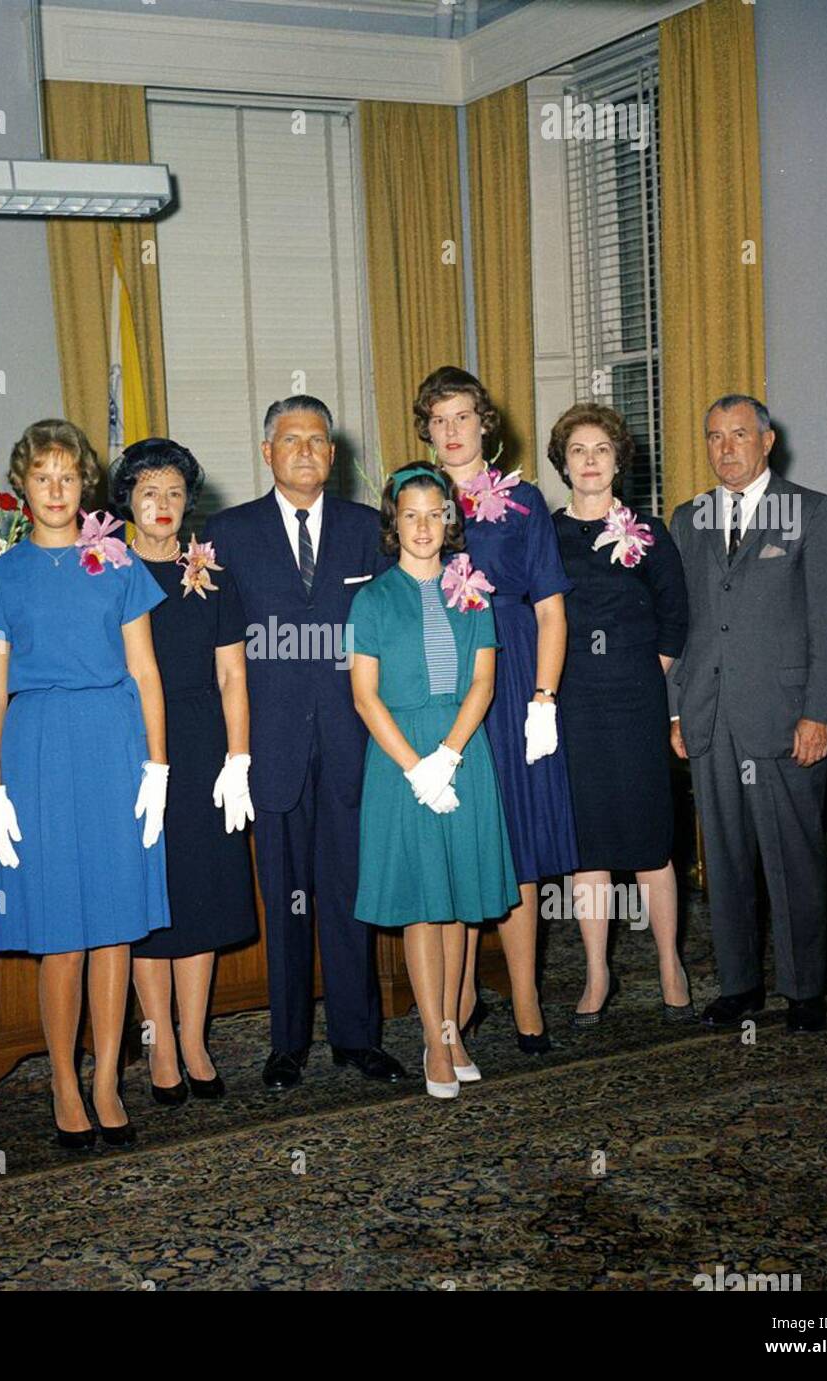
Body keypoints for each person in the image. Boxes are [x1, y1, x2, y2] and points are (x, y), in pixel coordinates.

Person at [0, 420, 170, 1150]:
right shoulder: (1, 576)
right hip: (39, 749)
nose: (56, 489)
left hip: (114, 742)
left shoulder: (115, 563)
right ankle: (63, 1080)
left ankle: (109, 1078)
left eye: (69, 476)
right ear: (23, 486)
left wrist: (158, 766)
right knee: (61, 933)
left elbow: (146, 671)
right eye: (42, 476)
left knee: (113, 923)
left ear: (85, 485)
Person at [203, 396, 405, 1090]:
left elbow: (393, 632)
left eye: (318, 440)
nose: (306, 451)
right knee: (283, 897)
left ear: (333, 452)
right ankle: (286, 1043)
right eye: (291, 440)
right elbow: (214, 647)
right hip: (271, 744)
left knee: (351, 893)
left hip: (354, 742)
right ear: (267, 452)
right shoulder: (226, 534)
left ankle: (357, 1037)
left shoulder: (367, 530)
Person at [669, 395, 827, 1033]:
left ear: (767, 441)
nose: (726, 448)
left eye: (739, 435)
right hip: (710, 718)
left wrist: (819, 713)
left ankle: (805, 991)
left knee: (792, 857)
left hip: (783, 720)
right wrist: (676, 713)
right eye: (714, 436)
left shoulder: (814, 514)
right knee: (722, 859)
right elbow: (680, 627)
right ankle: (739, 984)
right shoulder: (686, 519)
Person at [415, 367, 578, 1053]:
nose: (452, 432)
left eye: (463, 417)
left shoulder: (523, 502)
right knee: (460, 837)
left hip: (510, 676)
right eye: (439, 420)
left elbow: (550, 608)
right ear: (426, 430)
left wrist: (543, 697)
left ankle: (527, 996)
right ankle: (458, 999)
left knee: (516, 840)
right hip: (439, 679)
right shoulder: (413, 497)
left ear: (485, 422)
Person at [350, 465, 519, 1098]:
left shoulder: (471, 590)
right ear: (393, 524)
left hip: (463, 753)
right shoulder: (370, 599)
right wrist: (418, 767)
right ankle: (431, 1040)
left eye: (435, 514)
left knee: (460, 901)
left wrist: (447, 756)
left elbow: (484, 683)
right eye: (410, 515)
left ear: (450, 520)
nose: (424, 527)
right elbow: (365, 697)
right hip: (400, 762)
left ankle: (453, 1029)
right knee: (424, 904)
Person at [110, 438, 257, 1104]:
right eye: (149, 492)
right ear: (127, 500)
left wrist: (239, 757)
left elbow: (233, 674)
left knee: (200, 891)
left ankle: (194, 1037)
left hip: (202, 744)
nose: (163, 505)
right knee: (148, 894)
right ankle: (159, 1041)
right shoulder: (106, 572)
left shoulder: (212, 575)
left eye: (174, 493)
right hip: (132, 747)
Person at [548, 404, 693, 1026]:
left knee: (649, 840)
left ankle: (669, 964)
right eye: (578, 450)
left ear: (617, 460)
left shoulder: (650, 532)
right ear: (564, 462)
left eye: (601, 449)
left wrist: (640, 675)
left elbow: (675, 618)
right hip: (572, 703)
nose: (589, 460)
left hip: (636, 700)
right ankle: (597, 972)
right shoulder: (546, 534)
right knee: (590, 845)